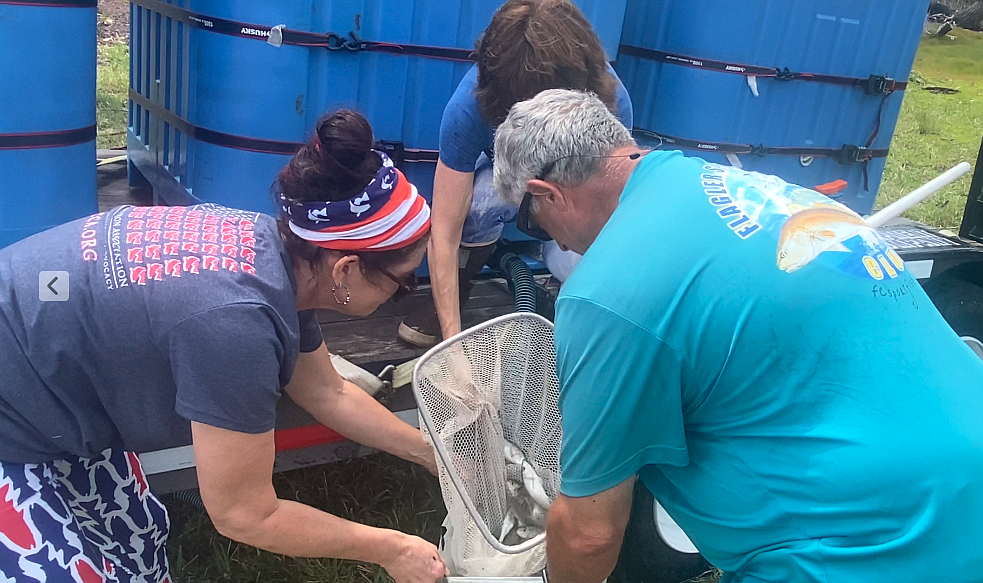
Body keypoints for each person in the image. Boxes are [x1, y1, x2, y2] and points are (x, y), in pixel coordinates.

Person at [492, 89, 983, 583]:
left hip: (867, 545)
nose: (549, 240)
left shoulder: (605, 293)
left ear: (547, 193)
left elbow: (589, 533)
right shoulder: (764, 190)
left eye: (528, 220)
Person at [0, 110, 448, 583]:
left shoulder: (277, 252)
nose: (405, 294)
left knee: (133, 540)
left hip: (43, 380)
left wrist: (426, 452)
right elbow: (244, 513)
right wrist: (393, 549)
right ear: (346, 270)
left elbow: (326, 392)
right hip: (13, 410)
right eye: (402, 284)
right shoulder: (235, 325)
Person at [397, 0, 633, 347]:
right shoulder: (469, 106)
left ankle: (572, 310)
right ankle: (457, 293)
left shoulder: (612, 103)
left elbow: (613, 223)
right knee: (475, 203)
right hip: (510, 184)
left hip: (578, 202)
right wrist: (452, 345)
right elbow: (444, 231)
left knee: (579, 274)